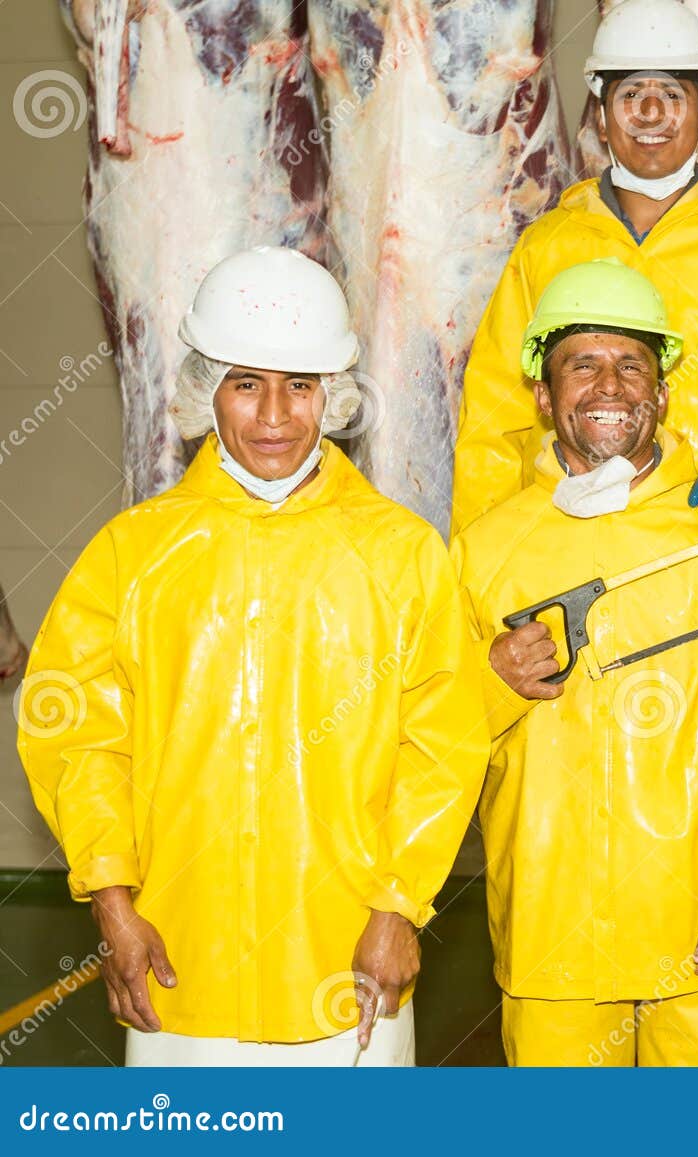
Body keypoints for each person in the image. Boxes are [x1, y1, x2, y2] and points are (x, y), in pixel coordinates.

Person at [18, 247, 489, 1067]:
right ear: (206, 390)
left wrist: (399, 907)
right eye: (246, 384)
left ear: (333, 396)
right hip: (178, 965)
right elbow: (81, 739)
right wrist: (112, 904)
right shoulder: (134, 553)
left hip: (347, 965)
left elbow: (442, 744)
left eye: (299, 385)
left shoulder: (402, 553)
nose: (275, 415)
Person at [452, 260, 698, 1066]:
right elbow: (428, 741)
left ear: (662, 392)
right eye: (582, 364)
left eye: (631, 365)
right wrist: (490, 681)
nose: (609, 386)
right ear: (543, 395)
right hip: (550, 937)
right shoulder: (484, 550)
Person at [450, 0, 698, 534]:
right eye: (630, 95)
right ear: (601, 118)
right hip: (562, 545)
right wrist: (485, 551)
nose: (651, 113)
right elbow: (495, 420)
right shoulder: (545, 247)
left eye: (673, 95)